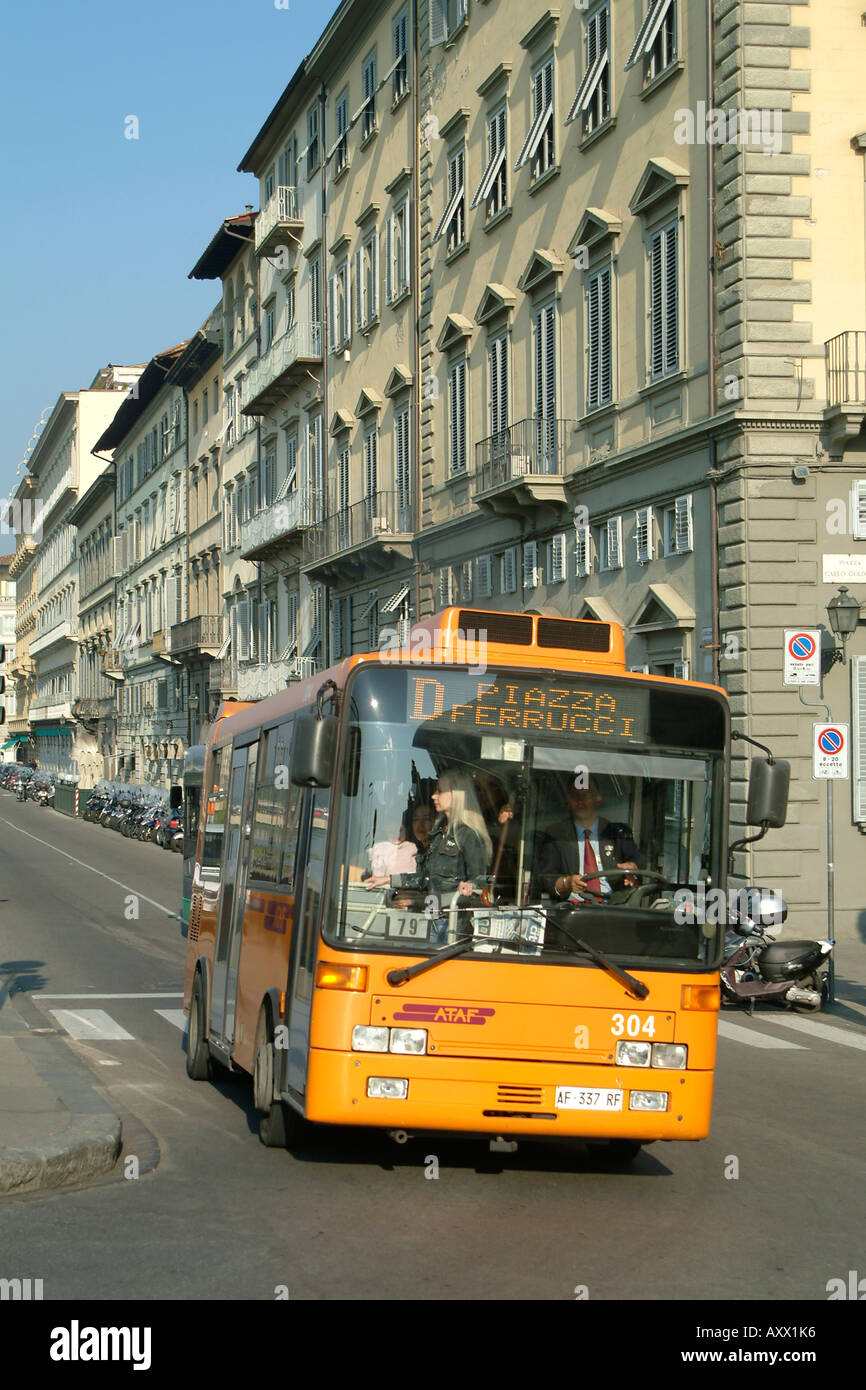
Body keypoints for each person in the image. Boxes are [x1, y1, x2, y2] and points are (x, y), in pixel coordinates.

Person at [539, 776, 642, 902]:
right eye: (574, 795)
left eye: (586, 795)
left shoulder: (616, 832)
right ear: (568, 800)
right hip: (572, 908)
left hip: (613, 907)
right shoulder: (555, 834)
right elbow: (547, 878)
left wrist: (632, 867)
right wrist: (567, 883)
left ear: (598, 799)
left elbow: (639, 860)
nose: (580, 800)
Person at [421, 770, 492, 900]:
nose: (433, 796)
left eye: (440, 791)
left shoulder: (469, 835)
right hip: (430, 912)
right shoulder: (438, 834)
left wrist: (470, 886)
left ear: (457, 795)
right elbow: (424, 878)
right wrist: (390, 879)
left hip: (453, 916)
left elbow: (479, 881)